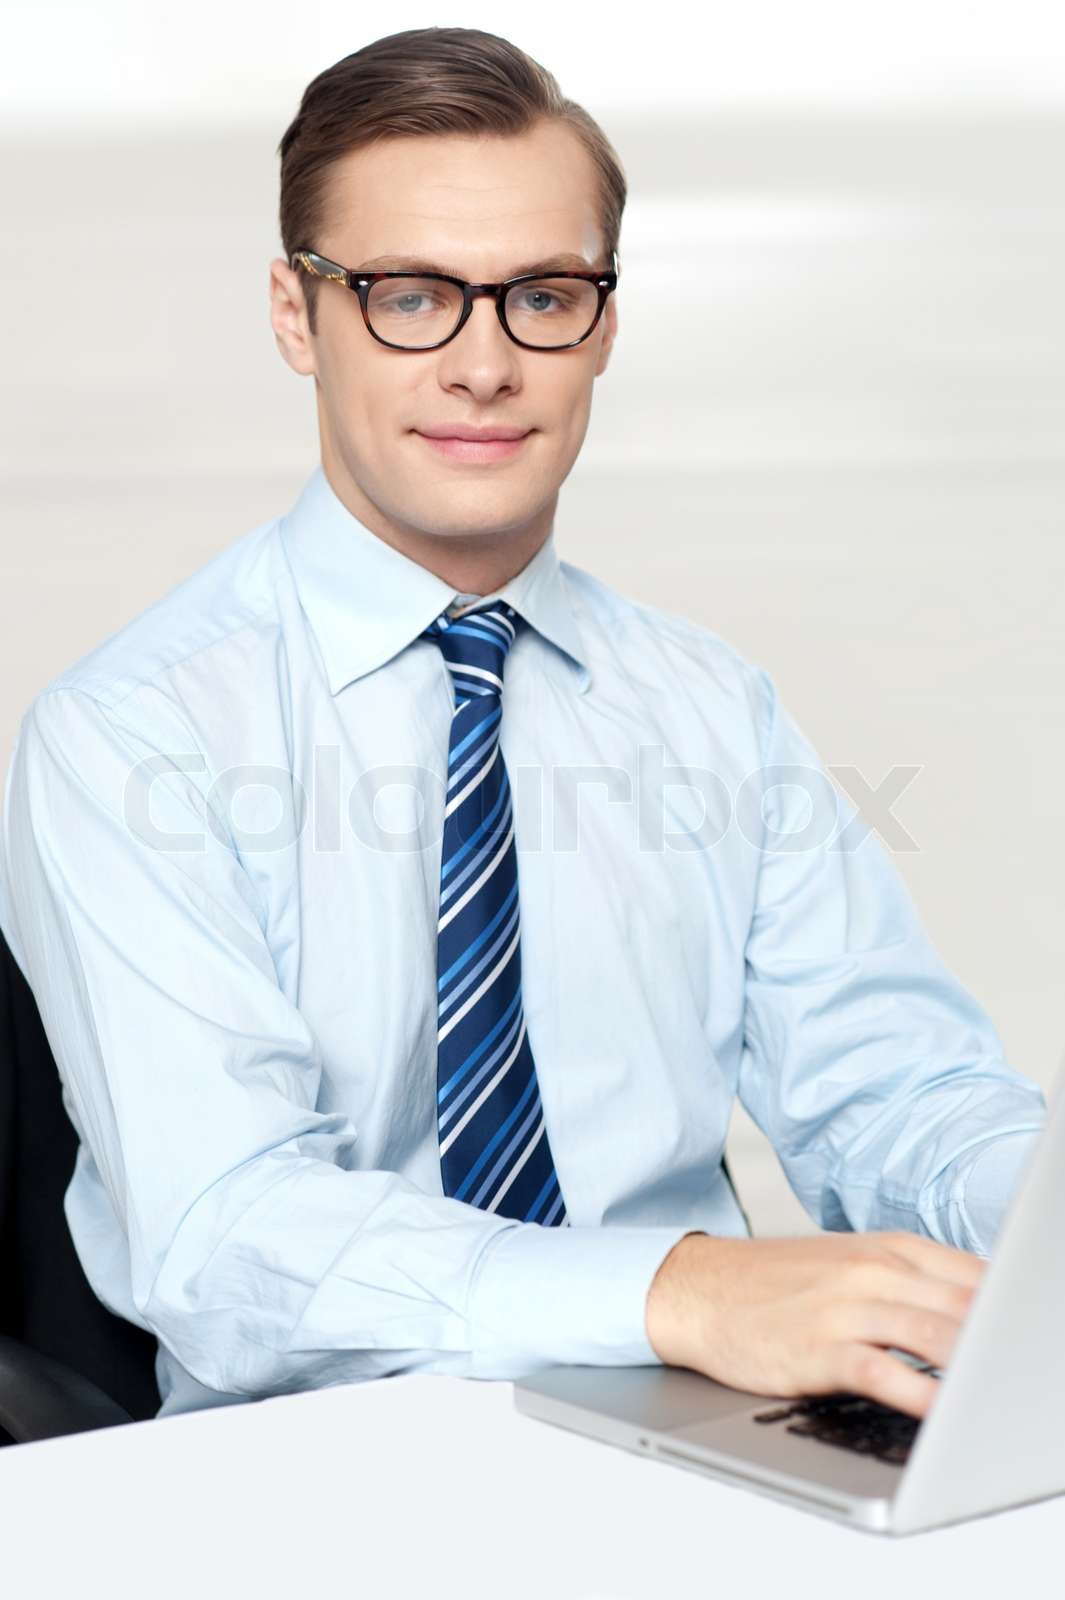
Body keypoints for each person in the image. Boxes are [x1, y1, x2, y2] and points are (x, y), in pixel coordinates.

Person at [0, 27, 1046, 1426]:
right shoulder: (130, 736)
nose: (483, 365)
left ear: (603, 323)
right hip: (317, 1470)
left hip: (714, 1422)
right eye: (409, 297)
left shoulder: (708, 708)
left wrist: (1032, 1212)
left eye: (542, 295)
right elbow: (225, 1233)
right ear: (295, 315)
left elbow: (894, 1095)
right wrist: (671, 1289)